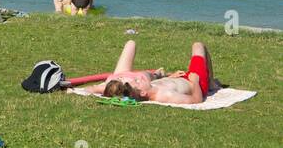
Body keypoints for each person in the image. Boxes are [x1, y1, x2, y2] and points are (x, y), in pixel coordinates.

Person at [81, 40, 218, 104]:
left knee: (198, 47)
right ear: (142, 93)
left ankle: (210, 81)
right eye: (137, 82)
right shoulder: (166, 95)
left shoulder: (145, 88)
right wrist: (195, 82)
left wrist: (169, 76)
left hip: (178, 79)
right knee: (198, 46)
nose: (137, 78)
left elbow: (95, 90)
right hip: (194, 82)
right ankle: (210, 83)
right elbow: (196, 100)